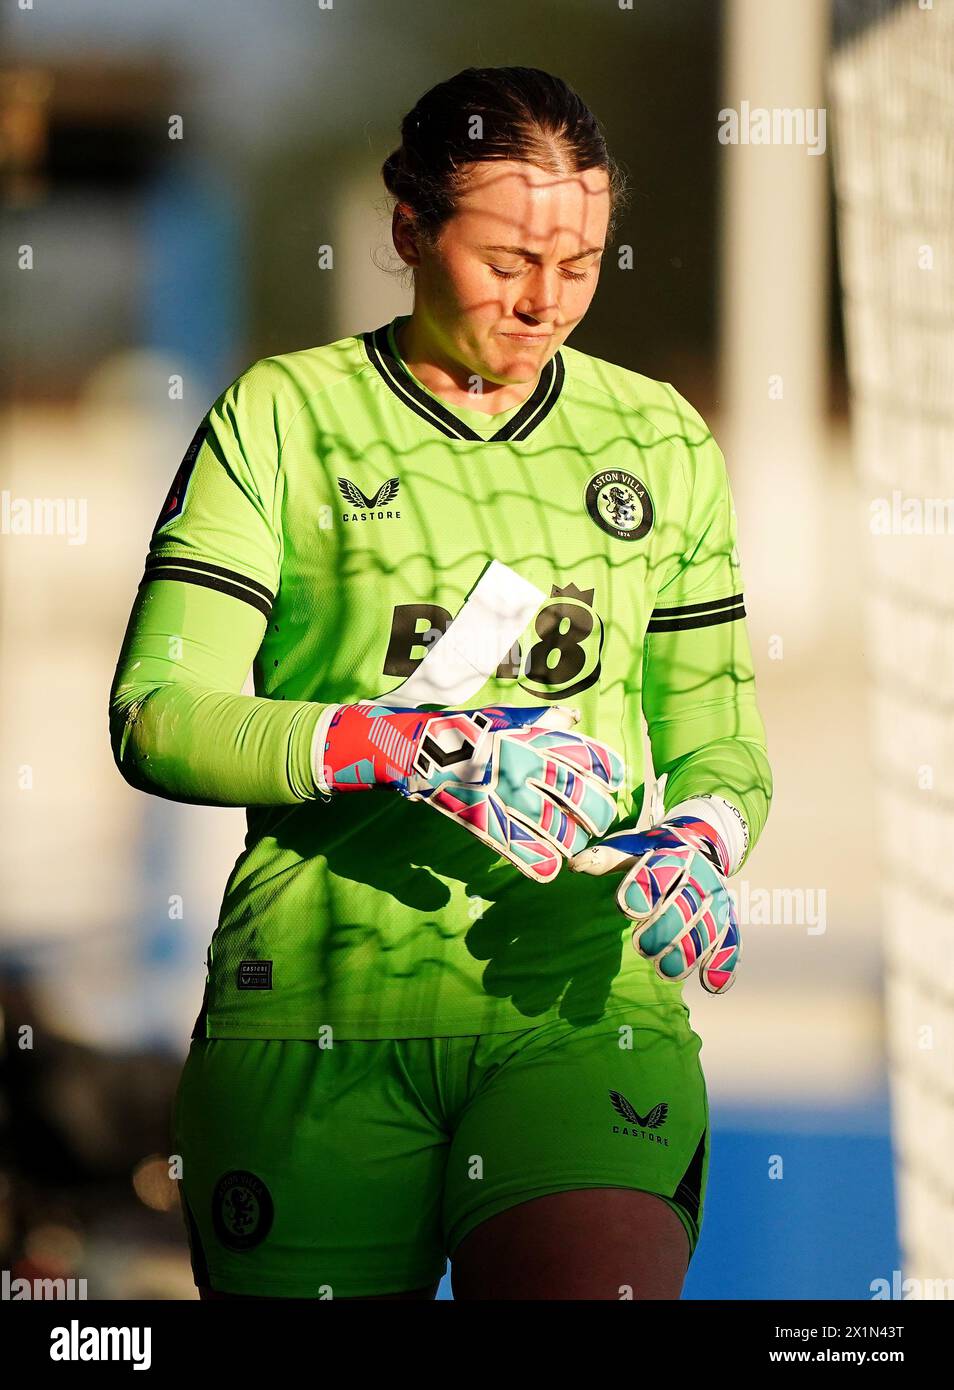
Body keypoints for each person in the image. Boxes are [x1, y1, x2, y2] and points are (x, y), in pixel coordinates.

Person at [109, 65, 772, 1301]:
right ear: (409, 229)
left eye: (578, 267)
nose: (544, 303)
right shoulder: (284, 417)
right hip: (313, 1009)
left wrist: (705, 828)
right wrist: (404, 744)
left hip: (579, 1000)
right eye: (509, 259)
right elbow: (157, 716)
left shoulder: (662, 441)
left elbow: (719, 732)